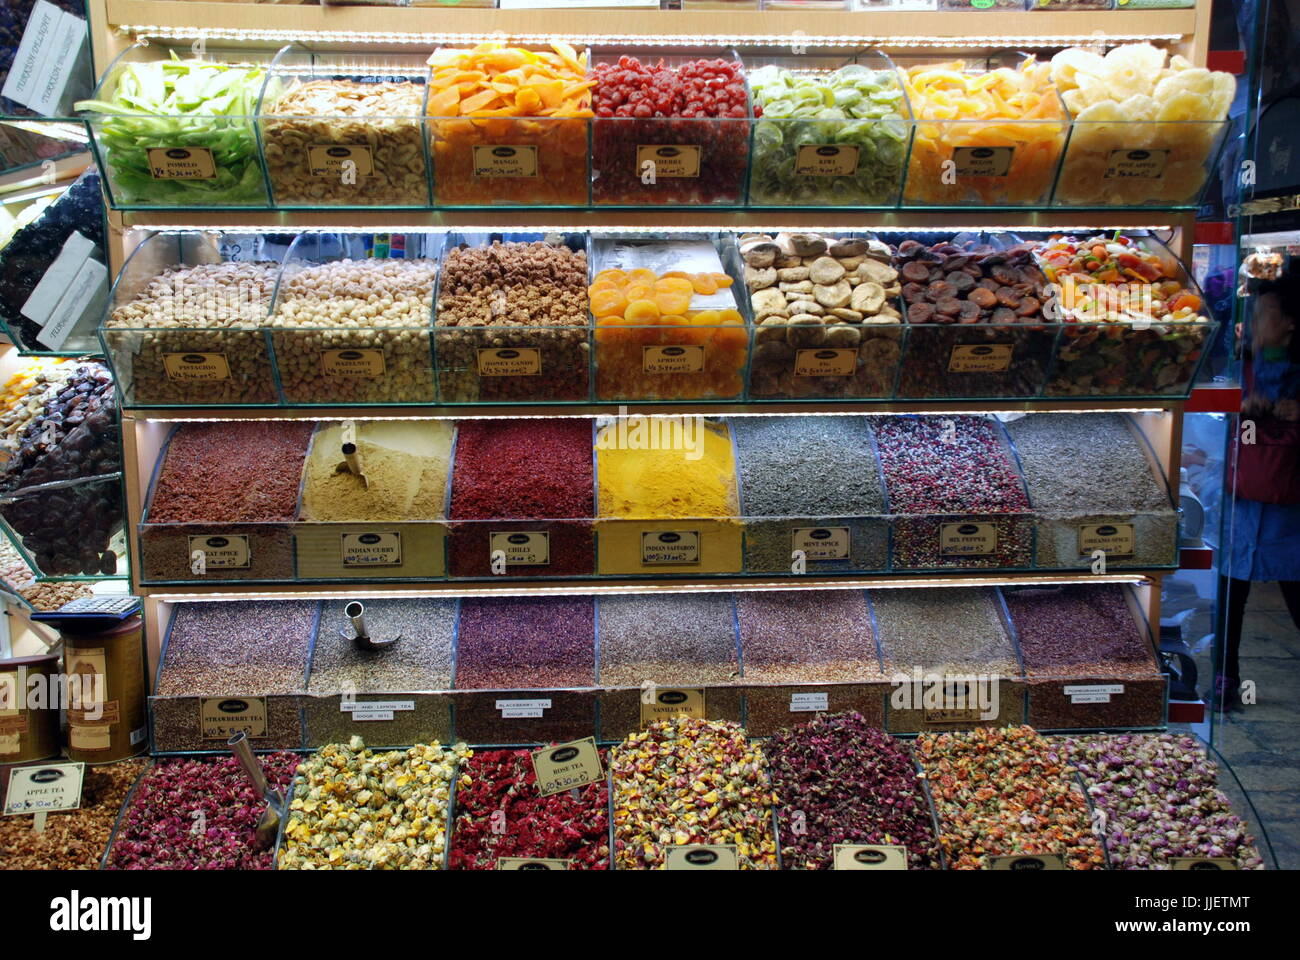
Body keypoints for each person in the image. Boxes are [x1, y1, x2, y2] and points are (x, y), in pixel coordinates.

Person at [1215, 267, 1300, 710]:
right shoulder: (1236, 365)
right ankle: (1225, 678)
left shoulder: (1293, 372)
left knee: (1293, 585)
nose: (1254, 323)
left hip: (1288, 502)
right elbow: (1215, 411)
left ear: (1290, 321)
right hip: (1241, 495)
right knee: (1230, 593)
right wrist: (1241, 408)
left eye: (1265, 313)